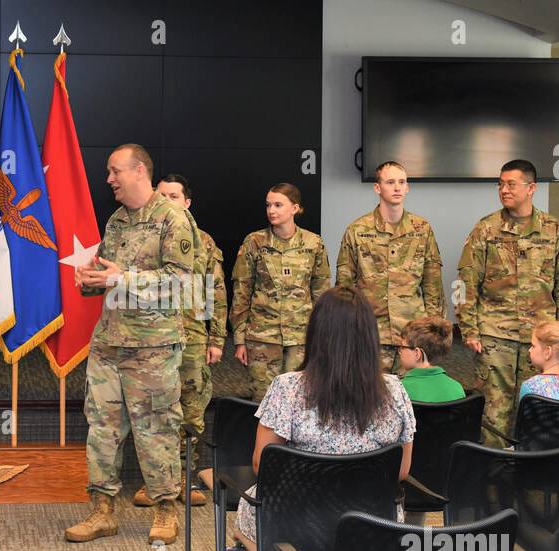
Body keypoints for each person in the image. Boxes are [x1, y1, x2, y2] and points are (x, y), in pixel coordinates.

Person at [64, 144, 197, 545]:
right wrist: (91, 280)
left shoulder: (173, 220)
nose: (109, 179)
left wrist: (122, 278)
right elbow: (110, 276)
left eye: (114, 171)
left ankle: (165, 512)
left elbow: (182, 283)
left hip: (153, 349)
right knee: (101, 430)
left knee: (156, 430)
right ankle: (102, 511)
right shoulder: (117, 221)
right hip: (108, 345)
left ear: (139, 171)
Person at [235, 287, 415, 545]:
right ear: (370, 337)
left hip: (296, 520)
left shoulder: (287, 388)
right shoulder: (396, 391)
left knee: (248, 521)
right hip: (372, 521)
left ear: (316, 333)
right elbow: (401, 471)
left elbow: (261, 465)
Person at [456, 159, 559, 447]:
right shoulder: (486, 229)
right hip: (494, 336)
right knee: (493, 412)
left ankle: (530, 474)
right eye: (500, 184)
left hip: (543, 340)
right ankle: (491, 478)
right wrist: (470, 329)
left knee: (538, 411)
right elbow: (463, 283)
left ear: (531, 188)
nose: (504, 190)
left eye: (511, 184)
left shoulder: (552, 229)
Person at [131, 173, 225, 508]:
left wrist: (217, 339)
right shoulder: (144, 238)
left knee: (191, 409)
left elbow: (215, 292)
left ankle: (185, 478)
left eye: (173, 196)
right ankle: (156, 482)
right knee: (156, 408)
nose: (167, 201)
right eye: (162, 195)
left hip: (193, 337)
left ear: (186, 202)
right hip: (155, 335)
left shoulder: (206, 243)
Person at [335, 160, 444, 371]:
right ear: (377, 187)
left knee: (412, 398)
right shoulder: (357, 230)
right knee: (370, 398)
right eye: (390, 182)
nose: (397, 187)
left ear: (408, 187)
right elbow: (344, 288)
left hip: (412, 336)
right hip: (371, 334)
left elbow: (433, 286)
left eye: (402, 182)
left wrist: (433, 331)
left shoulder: (422, 229)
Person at [230, 183, 330, 401]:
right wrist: (239, 339)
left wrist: (321, 335)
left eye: (278, 205)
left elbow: (321, 292)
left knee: (300, 400)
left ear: (295, 208)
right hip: (263, 337)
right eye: (268, 205)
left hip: (301, 338)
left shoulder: (313, 244)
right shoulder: (254, 242)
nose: (271, 210)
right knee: (264, 401)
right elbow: (242, 291)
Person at [398, 316, 465, 403]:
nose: (399, 351)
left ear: (417, 353)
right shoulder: (457, 388)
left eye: (402, 347)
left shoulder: (399, 390)